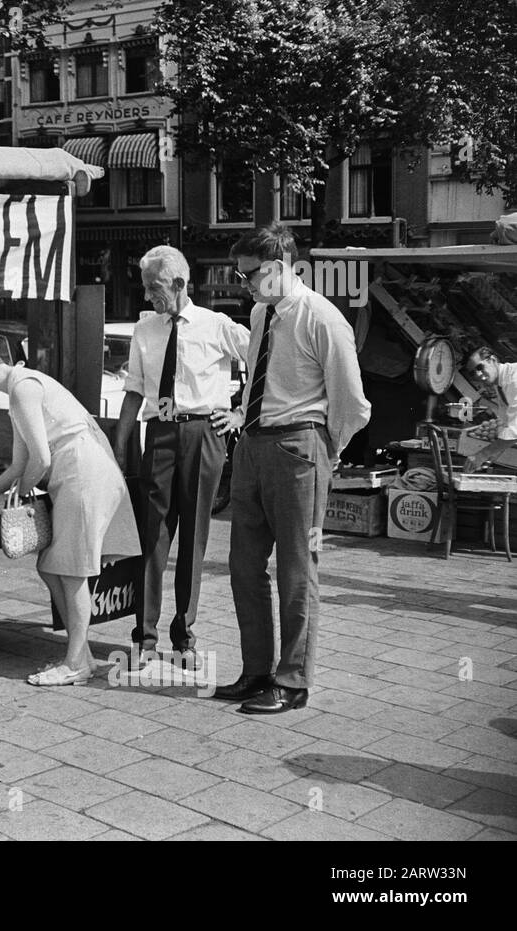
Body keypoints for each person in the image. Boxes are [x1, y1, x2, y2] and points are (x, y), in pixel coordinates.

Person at [213, 223, 370, 714]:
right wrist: (243, 414)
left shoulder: (323, 318)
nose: (245, 285)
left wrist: (326, 450)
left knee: (297, 569)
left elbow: (352, 403)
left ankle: (293, 681)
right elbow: (262, 378)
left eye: (251, 275)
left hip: (300, 446)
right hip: (255, 445)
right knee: (243, 566)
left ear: (279, 267)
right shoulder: (264, 313)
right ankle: (257, 670)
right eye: (241, 276)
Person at [0, 330, 142, 685]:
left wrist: (20, 492)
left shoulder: (23, 388)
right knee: (52, 567)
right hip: (77, 475)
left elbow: (40, 459)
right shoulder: (18, 389)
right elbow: (20, 465)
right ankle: (80, 655)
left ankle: (76, 663)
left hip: (83, 474)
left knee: (72, 570)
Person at [115, 246, 251, 672]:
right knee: (151, 536)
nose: (149, 297)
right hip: (159, 434)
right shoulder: (145, 331)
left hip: (204, 433)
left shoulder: (217, 326)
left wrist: (242, 412)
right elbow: (135, 388)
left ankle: (184, 637)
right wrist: (120, 444)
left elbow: (265, 360)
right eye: (145, 289)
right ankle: (145, 638)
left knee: (194, 538)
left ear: (179, 284)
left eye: (154, 289)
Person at [460, 346, 517, 472]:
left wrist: (482, 455)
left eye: (480, 367)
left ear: (493, 360)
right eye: (473, 372)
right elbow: (509, 424)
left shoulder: (514, 379)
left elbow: (515, 430)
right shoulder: (501, 383)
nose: (478, 374)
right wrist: (491, 457)